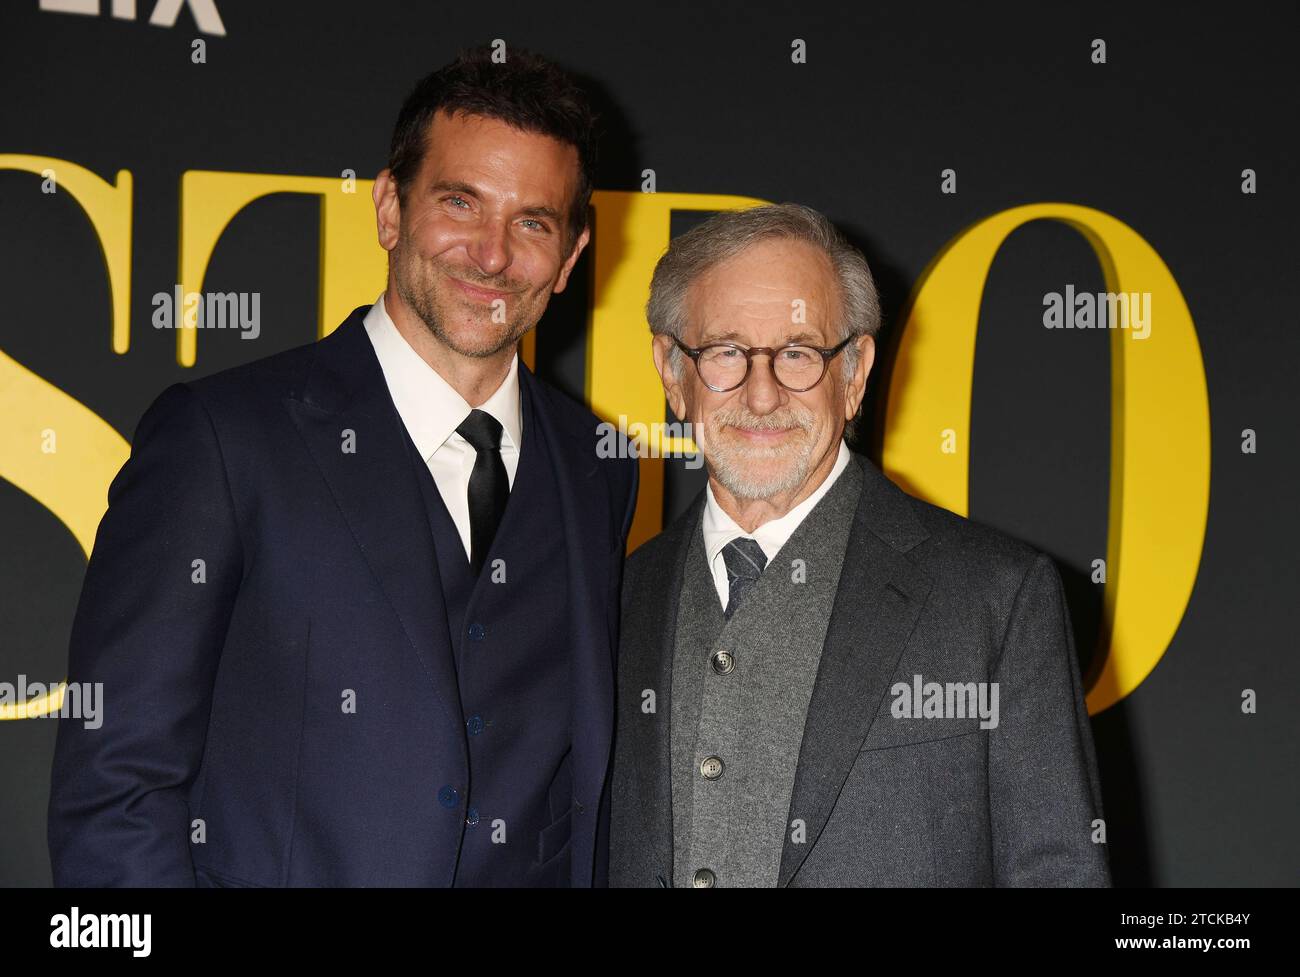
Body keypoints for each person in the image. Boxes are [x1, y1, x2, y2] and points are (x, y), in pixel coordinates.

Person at [48, 48, 637, 887]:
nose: (492, 255)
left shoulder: (596, 467)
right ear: (391, 207)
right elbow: (116, 788)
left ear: (571, 256)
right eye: (460, 203)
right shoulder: (222, 437)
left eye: (533, 222)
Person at [609, 203, 1109, 887]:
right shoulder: (616, 598)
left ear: (855, 372)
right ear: (672, 373)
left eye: (797, 353)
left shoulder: (997, 598)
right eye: (725, 351)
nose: (762, 395)